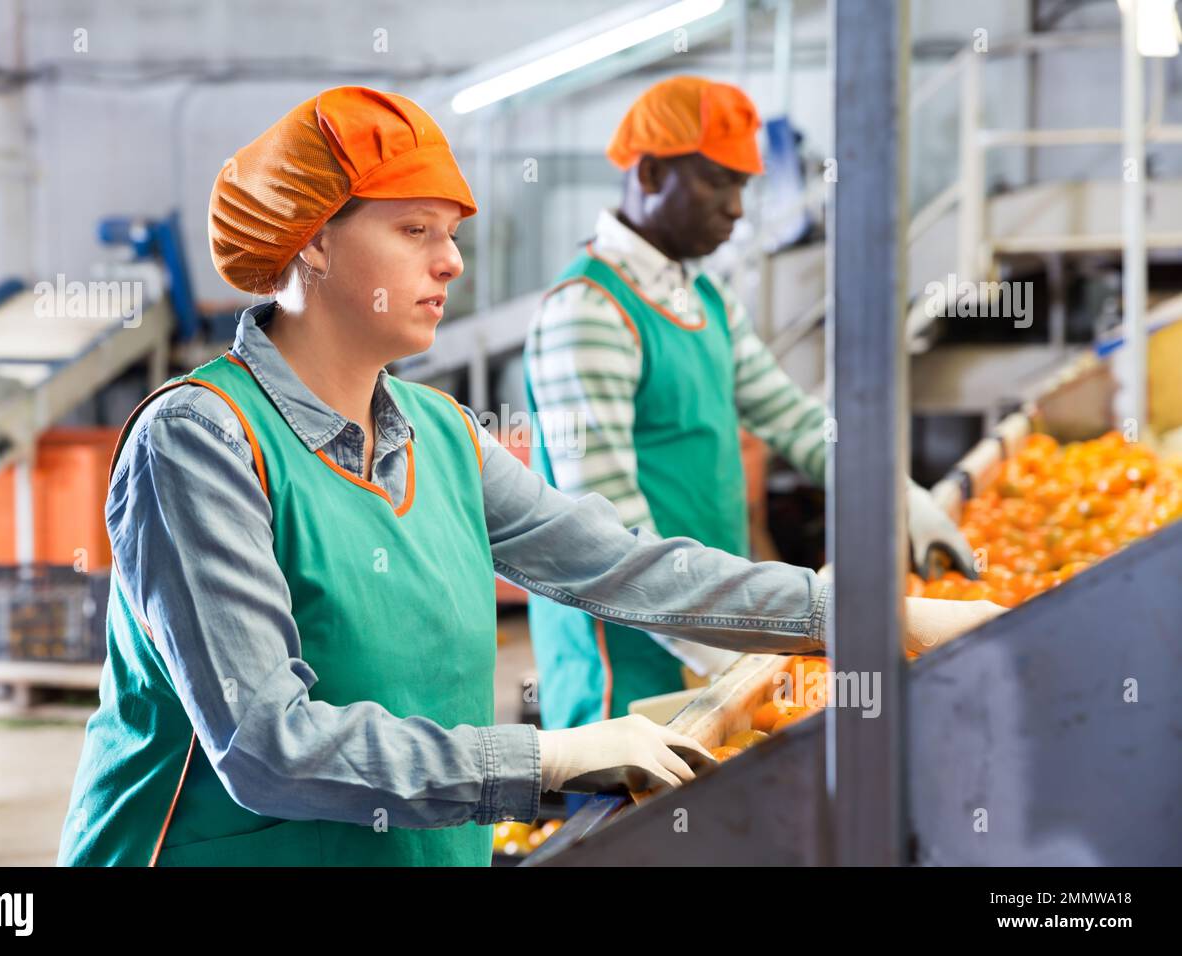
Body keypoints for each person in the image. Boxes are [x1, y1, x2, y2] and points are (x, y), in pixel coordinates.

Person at [58, 86, 999, 867]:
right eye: (416, 229)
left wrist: (874, 616)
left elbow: (627, 567)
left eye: (454, 231)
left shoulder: (441, 435)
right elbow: (268, 747)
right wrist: (550, 754)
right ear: (311, 240)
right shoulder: (202, 441)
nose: (452, 261)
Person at [524, 76, 978, 733]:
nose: (738, 209)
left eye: (744, 185)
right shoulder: (588, 312)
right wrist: (728, 653)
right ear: (650, 172)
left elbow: (793, 418)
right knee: (633, 833)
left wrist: (899, 496)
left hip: (716, 628)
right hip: (628, 667)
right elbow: (605, 535)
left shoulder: (705, 298)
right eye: (718, 182)